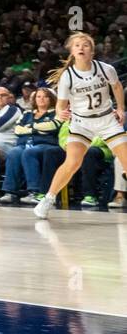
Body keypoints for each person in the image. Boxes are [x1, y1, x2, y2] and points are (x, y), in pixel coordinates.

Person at [34, 32, 126, 219]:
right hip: (82, 122)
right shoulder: (68, 76)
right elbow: (60, 104)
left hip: (107, 120)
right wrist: (60, 112)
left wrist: (121, 108)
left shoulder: (106, 68)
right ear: (72, 51)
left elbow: (116, 87)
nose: (81, 48)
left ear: (92, 51)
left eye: (85, 45)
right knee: (72, 162)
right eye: (77, 45)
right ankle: (48, 199)